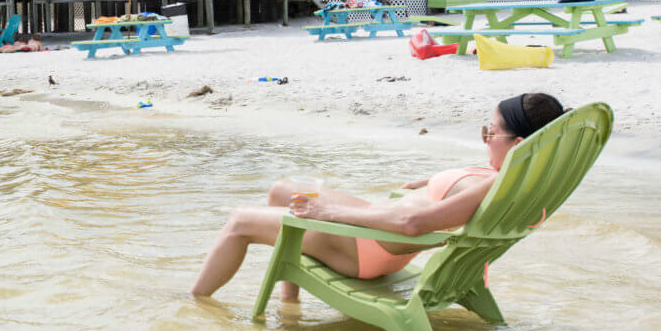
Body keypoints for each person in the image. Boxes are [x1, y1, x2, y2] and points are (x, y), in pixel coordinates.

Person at [189, 93, 567, 301]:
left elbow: (412, 223)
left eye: (491, 133)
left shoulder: (490, 184)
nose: (484, 138)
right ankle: (290, 301)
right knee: (282, 190)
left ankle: (194, 306)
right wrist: (428, 183)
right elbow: (438, 203)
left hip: (369, 249)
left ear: (518, 145)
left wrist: (329, 212)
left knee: (240, 221)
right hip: (378, 232)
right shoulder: (512, 178)